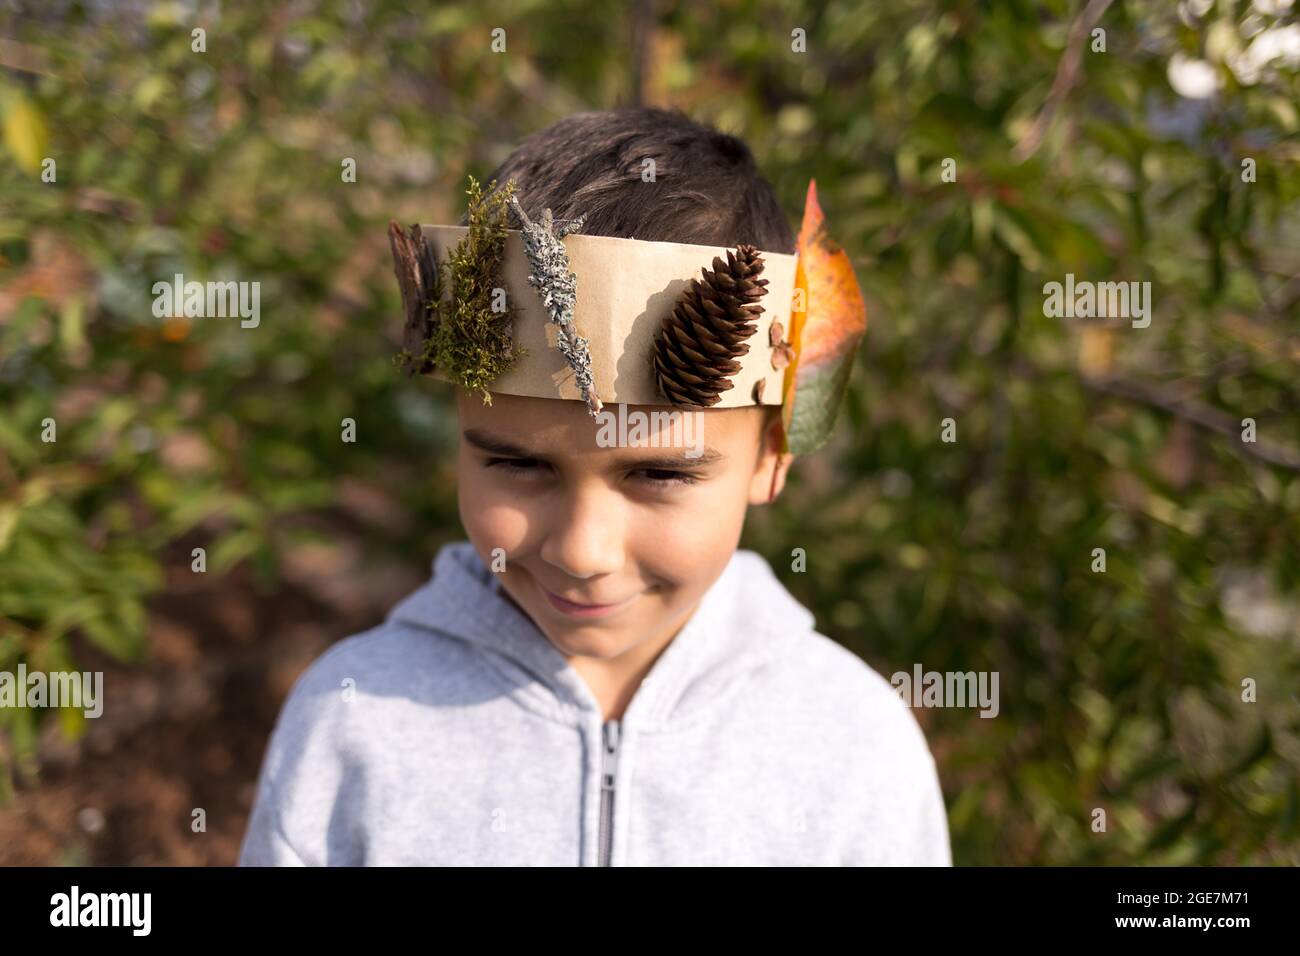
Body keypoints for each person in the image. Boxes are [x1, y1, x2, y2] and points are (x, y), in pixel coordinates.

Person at [238, 106, 951, 866]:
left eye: (659, 474)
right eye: (517, 465)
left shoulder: (854, 748)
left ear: (774, 452)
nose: (582, 550)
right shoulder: (352, 726)